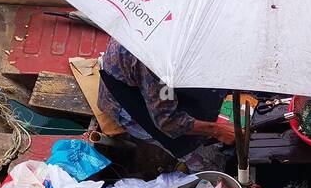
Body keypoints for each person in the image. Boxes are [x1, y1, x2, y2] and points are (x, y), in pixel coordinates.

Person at [97, 39, 235, 167]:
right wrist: (218, 131)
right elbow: (168, 121)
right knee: (190, 152)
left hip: (155, 83)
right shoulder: (155, 61)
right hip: (128, 103)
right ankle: (201, 167)